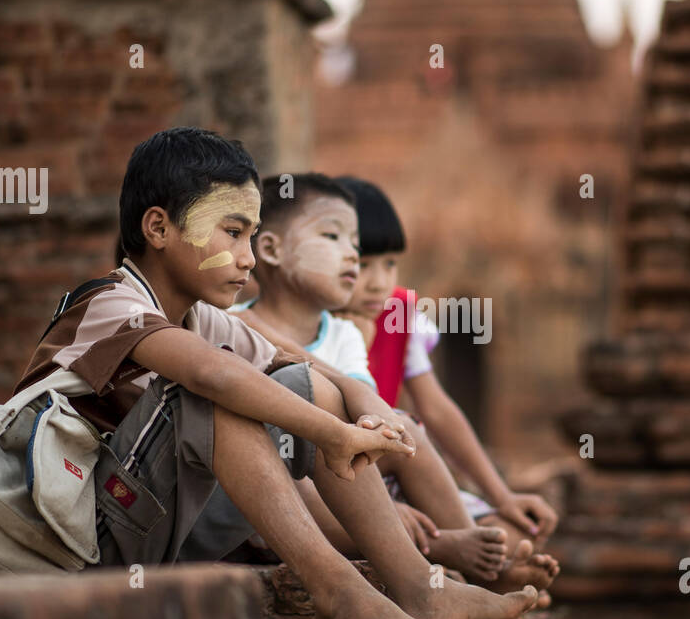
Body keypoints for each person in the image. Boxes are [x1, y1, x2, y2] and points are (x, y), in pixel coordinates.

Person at [16, 127, 538, 619]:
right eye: (232, 232)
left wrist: (373, 411)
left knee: (308, 387)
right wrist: (333, 435)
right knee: (217, 394)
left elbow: (310, 368)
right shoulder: (107, 304)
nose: (248, 259)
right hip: (77, 539)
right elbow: (212, 378)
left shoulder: (206, 320)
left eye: (251, 236)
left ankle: (420, 589)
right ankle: (338, 593)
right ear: (158, 227)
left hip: (153, 536)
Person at [232, 173, 557, 594]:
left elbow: (378, 415)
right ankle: (441, 549)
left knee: (407, 429)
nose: (353, 257)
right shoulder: (237, 324)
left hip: (353, 474)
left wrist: (392, 493)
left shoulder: (347, 334)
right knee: (296, 478)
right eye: (335, 239)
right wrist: (386, 511)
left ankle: (475, 562)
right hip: (280, 487)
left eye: (356, 244)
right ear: (272, 249)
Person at [334, 176, 562, 600]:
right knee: (436, 520)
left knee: (511, 530)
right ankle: (490, 577)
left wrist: (501, 492)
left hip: (403, 477)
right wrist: (384, 509)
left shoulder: (399, 315)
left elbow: (437, 410)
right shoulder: (313, 326)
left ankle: (491, 565)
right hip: (342, 481)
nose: (377, 282)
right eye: (363, 265)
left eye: (389, 264)